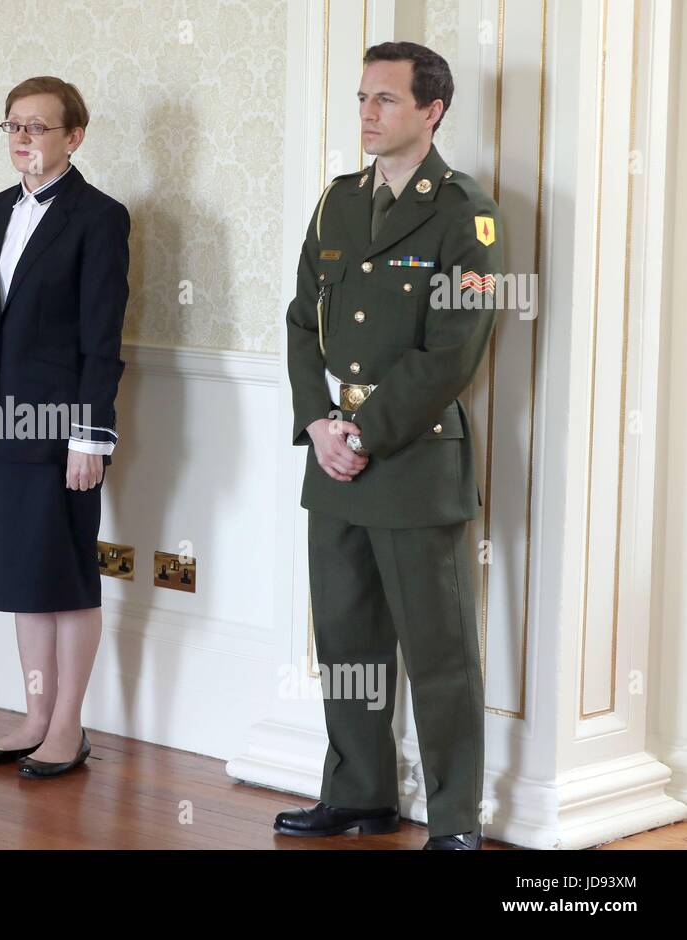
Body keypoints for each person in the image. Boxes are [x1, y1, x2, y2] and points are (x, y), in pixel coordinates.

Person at [278, 41, 504, 849]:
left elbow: (454, 349)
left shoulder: (464, 212)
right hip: (333, 462)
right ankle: (359, 793)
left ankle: (454, 821)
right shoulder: (337, 201)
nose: (367, 115)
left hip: (410, 463)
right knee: (346, 641)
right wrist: (317, 425)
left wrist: (361, 432)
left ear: (431, 111)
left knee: (439, 656)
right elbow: (304, 321)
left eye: (385, 101)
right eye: (362, 98)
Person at [0, 76, 131, 778]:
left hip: (57, 431)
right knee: (23, 578)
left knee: (67, 579)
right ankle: (35, 717)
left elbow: (101, 340)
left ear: (73, 137)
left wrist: (89, 435)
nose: (23, 138)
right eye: (14, 125)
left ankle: (68, 728)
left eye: (38, 126)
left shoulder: (100, 218)